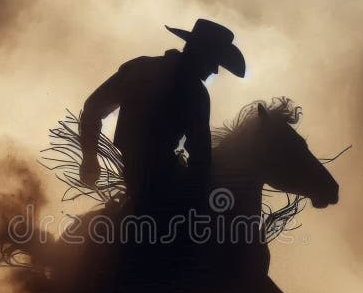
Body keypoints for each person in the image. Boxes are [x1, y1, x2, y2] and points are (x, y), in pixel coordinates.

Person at [79, 19, 245, 213]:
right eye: (214, 61)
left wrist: (89, 156)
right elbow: (201, 158)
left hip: (134, 177)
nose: (215, 70)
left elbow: (93, 108)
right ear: (201, 54)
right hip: (161, 187)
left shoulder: (138, 68)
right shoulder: (195, 93)